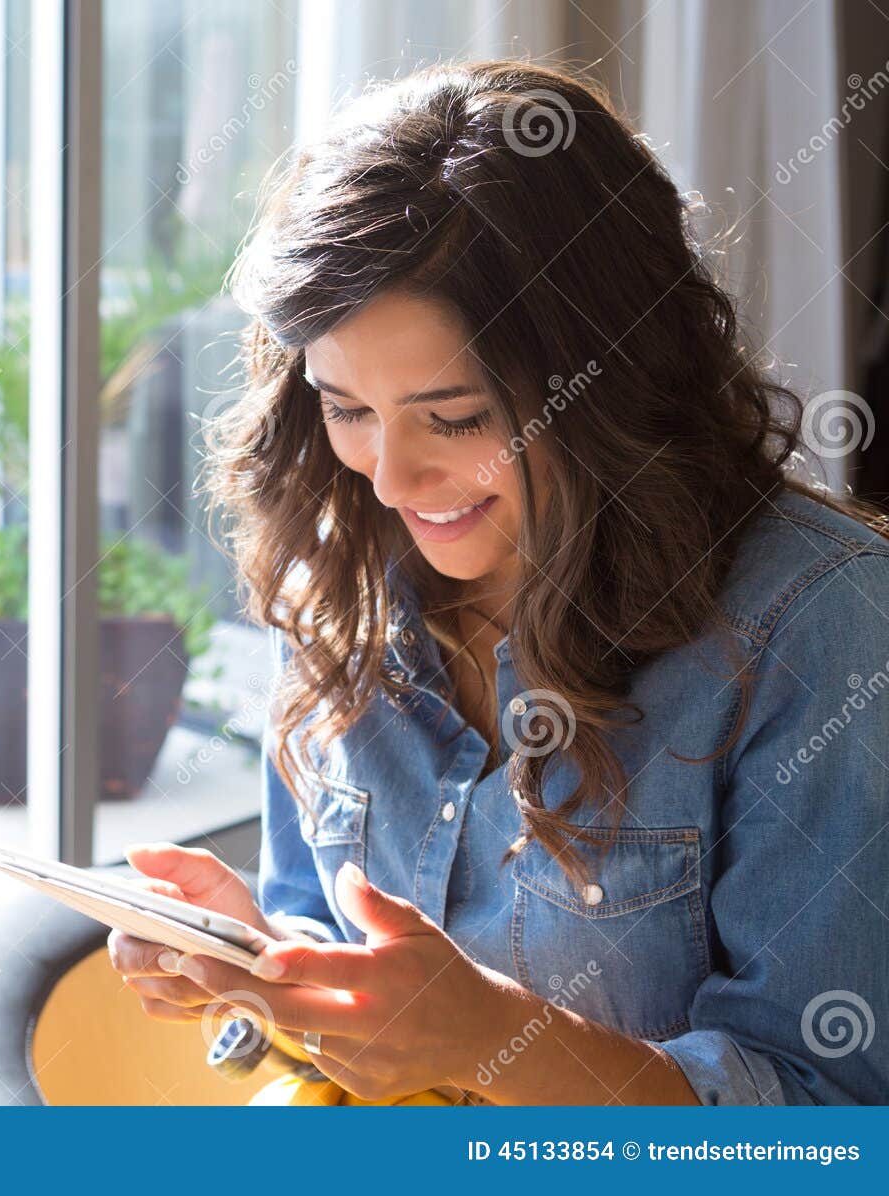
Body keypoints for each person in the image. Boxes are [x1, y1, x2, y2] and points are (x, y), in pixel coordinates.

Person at [106, 59, 889, 1106]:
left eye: (456, 418)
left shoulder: (822, 627)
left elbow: (831, 1125)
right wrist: (260, 962)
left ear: (609, 380)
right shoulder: (345, 574)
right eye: (346, 408)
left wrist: (499, 1041)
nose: (389, 479)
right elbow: (336, 948)